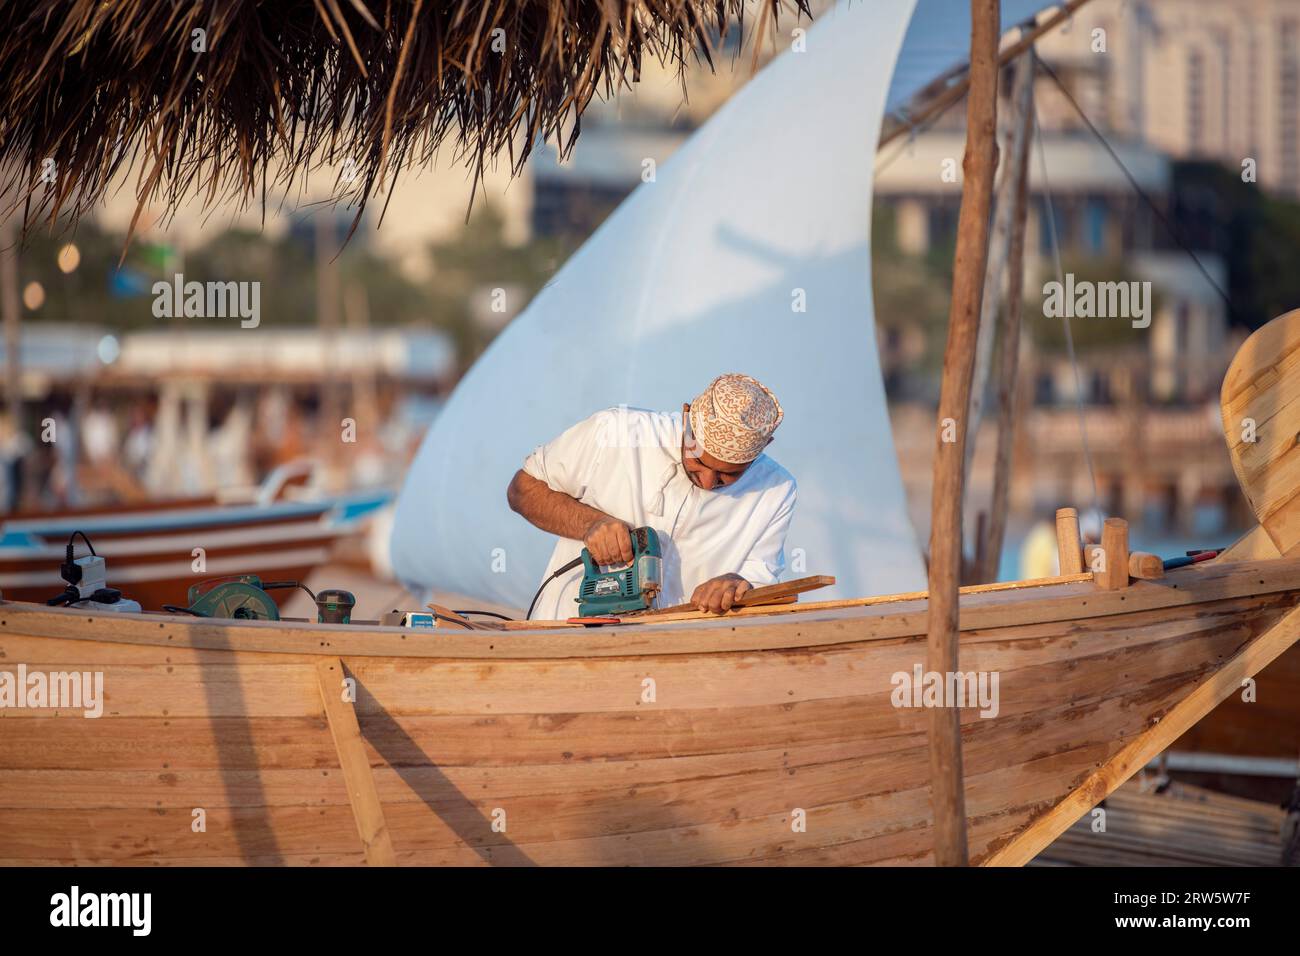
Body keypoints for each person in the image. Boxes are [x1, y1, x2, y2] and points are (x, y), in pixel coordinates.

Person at [508, 373, 796, 619]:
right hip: (562, 635)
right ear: (686, 417)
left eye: (728, 476)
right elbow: (522, 490)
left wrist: (738, 583)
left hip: (670, 654)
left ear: (764, 447)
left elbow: (761, 576)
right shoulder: (616, 432)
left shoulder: (776, 490)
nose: (708, 482)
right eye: (699, 461)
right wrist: (589, 524)